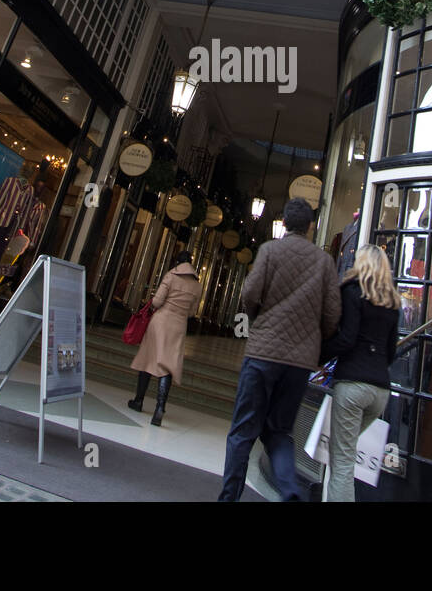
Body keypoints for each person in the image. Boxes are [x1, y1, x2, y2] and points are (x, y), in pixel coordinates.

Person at [218, 198, 340, 502]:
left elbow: (250, 293)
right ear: (311, 226)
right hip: (299, 363)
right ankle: (289, 491)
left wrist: (261, 318)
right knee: (280, 432)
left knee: (242, 431)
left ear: (284, 223)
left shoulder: (270, 251)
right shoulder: (324, 262)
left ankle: (228, 498)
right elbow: (332, 315)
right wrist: (313, 341)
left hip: (262, 355)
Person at [321, 244, 400, 502]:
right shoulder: (392, 302)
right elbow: (391, 352)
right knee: (345, 452)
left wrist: (319, 358)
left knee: (342, 461)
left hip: (352, 385)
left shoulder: (353, 292)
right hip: (380, 391)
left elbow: (346, 339)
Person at [128, 249, 201, 426]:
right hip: (179, 326)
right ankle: (160, 407)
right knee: (168, 365)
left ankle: (138, 400)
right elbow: (192, 311)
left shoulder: (171, 275)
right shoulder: (197, 285)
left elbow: (157, 301)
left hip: (161, 322)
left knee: (147, 361)